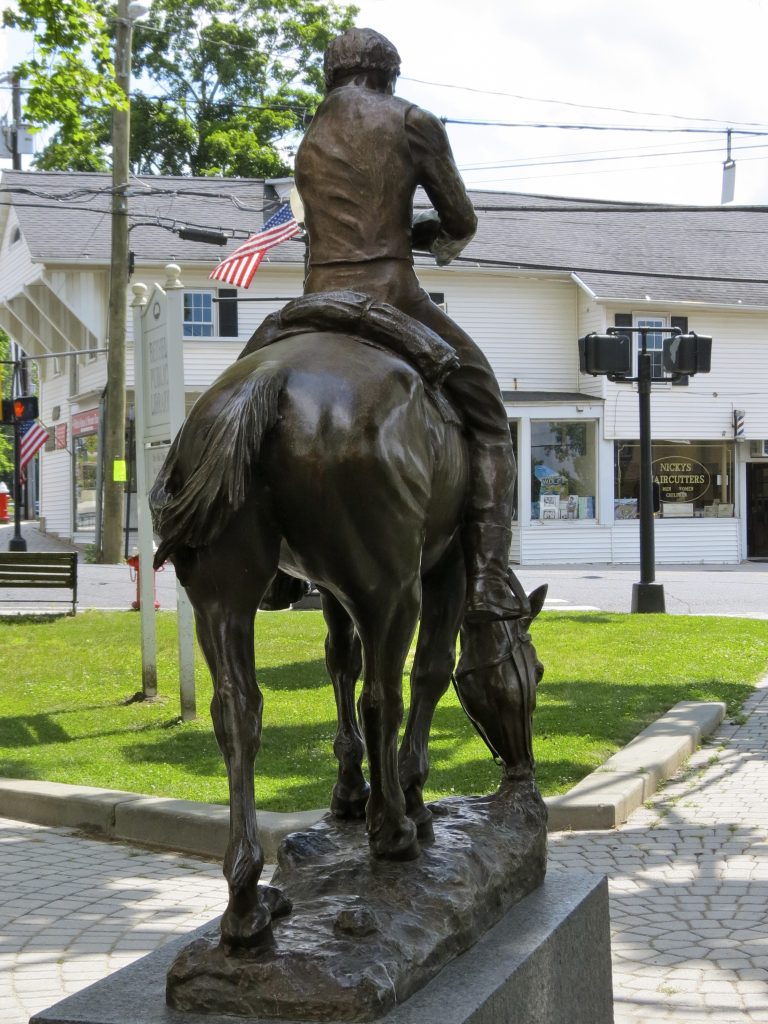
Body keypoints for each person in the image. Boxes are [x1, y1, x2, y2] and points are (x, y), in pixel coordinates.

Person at [294, 27, 521, 622]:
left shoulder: (311, 135)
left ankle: (264, 560)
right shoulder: (413, 120)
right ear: (389, 74)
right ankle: (491, 580)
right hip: (393, 297)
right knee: (491, 417)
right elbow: (460, 219)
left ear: (333, 75)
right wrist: (434, 238)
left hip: (315, 298)